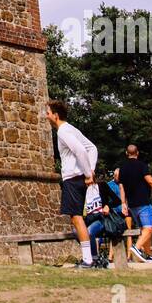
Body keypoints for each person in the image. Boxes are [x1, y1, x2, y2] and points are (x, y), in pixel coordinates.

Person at [45, 100, 99, 268]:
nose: (46, 116)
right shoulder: (72, 129)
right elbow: (92, 148)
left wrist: (88, 173)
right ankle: (90, 258)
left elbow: (81, 150)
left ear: (55, 115)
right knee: (78, 218)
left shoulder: (62, 132)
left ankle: (88, 260)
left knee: (76, 218)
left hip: (72, 179)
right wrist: (91, 169)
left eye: (47, 113)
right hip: (78, 178)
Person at [118, 144, 152, 263]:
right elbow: (150, 181)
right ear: (137, 153)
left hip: (132, 205)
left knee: (144, 230)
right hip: (143, 202)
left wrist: (123, 203)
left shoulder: (123, 169)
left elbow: (121, 187)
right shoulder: (142, 166)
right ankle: (136, 248)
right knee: (149, 229)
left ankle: (149, 255)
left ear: (127, 153)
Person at [83, 168, 124, 267]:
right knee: (76, 232)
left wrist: (107, 206)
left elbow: (117, 200)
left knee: (89, 232)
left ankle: (94, 258)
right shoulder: (82, 190)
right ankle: (87, 256)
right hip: (88, 219)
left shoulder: (101, 186)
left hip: (101, 219)